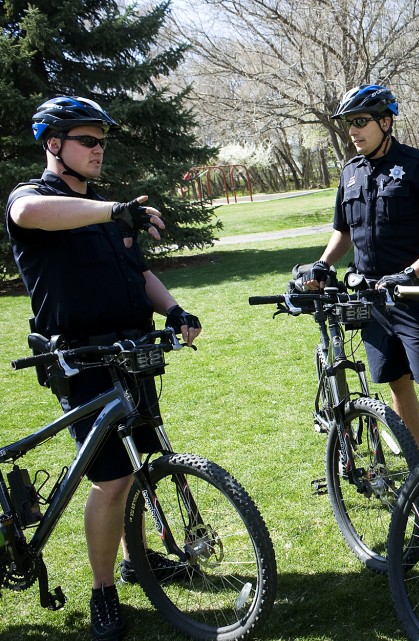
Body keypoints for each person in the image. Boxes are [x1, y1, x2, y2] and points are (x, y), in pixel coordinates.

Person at [6, 96, 202, 641]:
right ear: (54, 144)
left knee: (140, 464)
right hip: (81, 360)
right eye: (87, 141)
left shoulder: (105, 209)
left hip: (131, 352)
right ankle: (103, 592)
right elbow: (27, 216)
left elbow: (138, 273)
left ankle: (135, 560)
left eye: (101, 142)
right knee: (112, 479)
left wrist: (174, 310)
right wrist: (114, 210)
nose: (98, 150)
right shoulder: (34, 196)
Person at [306, 84, 419, 456]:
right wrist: (323, 264)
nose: (352, 131)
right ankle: (418, 469)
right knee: (397, 384)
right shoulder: (350, 172)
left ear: (386, 122)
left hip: (416, 295)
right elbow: (344, 231)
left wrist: (411, 272)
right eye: (349, 123)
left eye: (360, 122)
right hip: (371, 299)